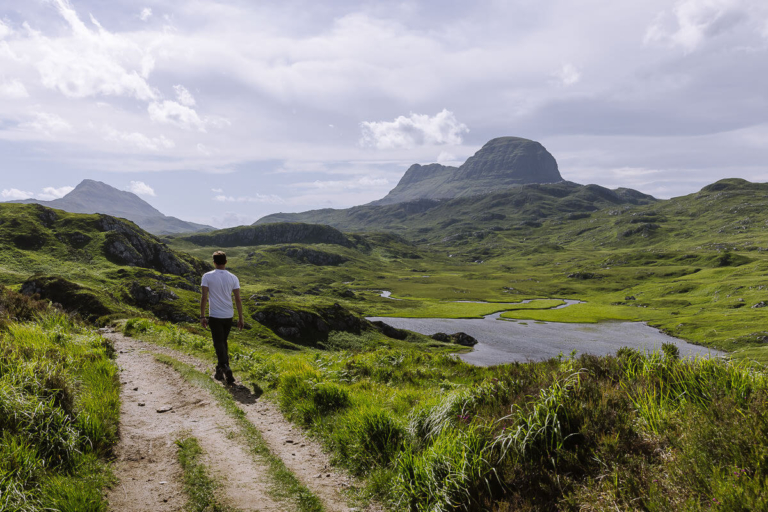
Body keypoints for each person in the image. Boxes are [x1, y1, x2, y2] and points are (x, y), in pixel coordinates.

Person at [200, 251, 244, 385]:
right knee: (223, 342)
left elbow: (204, 297)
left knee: (218, 342)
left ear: (214, 262)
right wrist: (240, 318)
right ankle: (220, 371)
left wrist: (202, 316)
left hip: (215, 315)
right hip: (228, 315)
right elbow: (238, 299)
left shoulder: (207, 276)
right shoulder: (233, 277)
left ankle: (225, 366)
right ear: (226, 262)